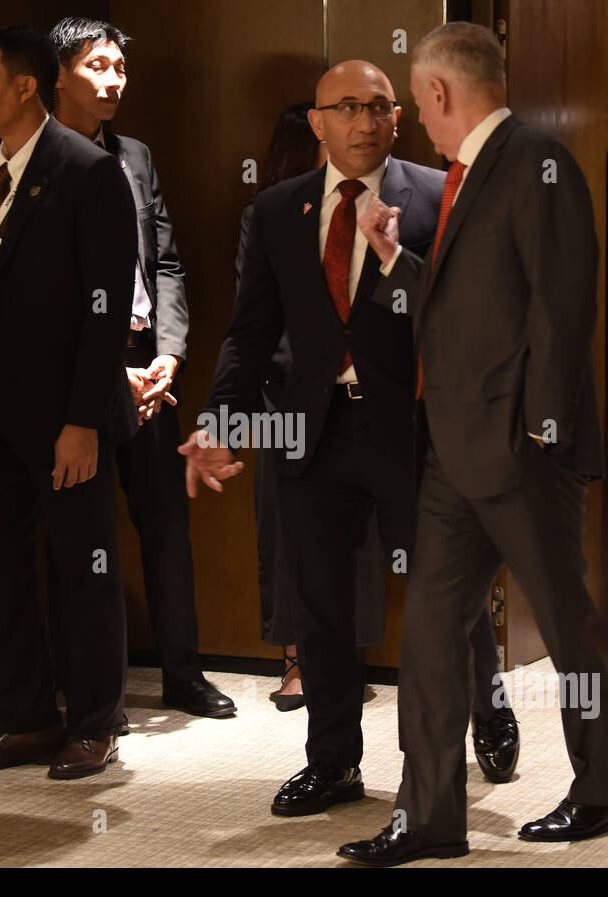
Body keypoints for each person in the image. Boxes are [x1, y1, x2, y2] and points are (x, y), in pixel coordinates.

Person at [182, 57, 517, 819]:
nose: (366, 122)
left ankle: (482, 712)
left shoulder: (439, 195)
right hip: (314, 429)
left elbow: (468, 314)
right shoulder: (276, 211)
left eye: (380, 108)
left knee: (447, 595)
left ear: (399, 118)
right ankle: (333, 762)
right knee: (321, 602)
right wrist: (219, 420)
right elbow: (250, 332)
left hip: (416, 432)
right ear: (318, 122)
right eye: (348, 108)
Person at [339, 22, 608, 866]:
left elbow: (562, 303)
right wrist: (396, 259)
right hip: (454, 447)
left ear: (438, 92)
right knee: (431, 630)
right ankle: (430, 814)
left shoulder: (535, 159)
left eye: (414, 98)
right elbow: (472, 300)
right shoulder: (470, 173)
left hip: (519, 448)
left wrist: (540, 432)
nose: (414, 122)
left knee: (571, 630)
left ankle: (604, 790)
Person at [0, 26, 136, 779]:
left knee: (84, 567)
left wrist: (83, 421)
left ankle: (96, 722)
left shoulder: (89, 171)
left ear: (23, 87)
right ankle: (25, 719)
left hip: (64, 411)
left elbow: (106, 311)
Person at [48, 16, 234, 719]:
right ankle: (94, 690)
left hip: (146, 363)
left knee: (164, 523)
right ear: (59, 74)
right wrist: (100, 372)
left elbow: (166, 260)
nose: (113, 80)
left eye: (120, 68)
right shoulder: (42, 161)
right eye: (97, 66)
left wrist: (170, 351)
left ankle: (183, 674)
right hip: (81, 373)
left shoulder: (136, 157)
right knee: (81, 533)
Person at [236, 103, 388, 714]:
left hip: (370, 390)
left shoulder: (390, 202)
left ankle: (349, 654)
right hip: (289, 394)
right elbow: (255, 317)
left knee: (365, 535)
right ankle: (297, 659)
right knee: (288, 529)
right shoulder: (270, 214)